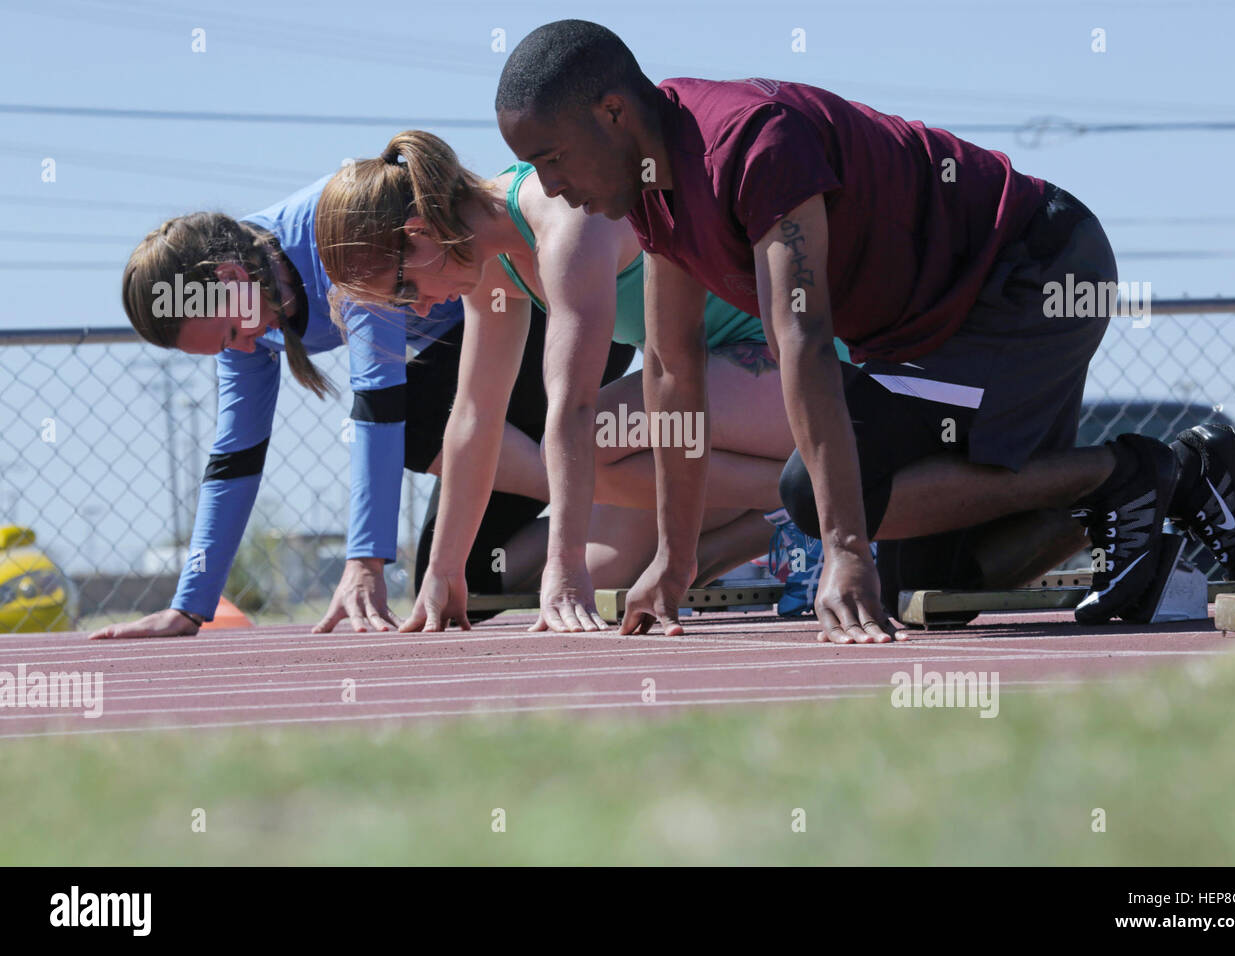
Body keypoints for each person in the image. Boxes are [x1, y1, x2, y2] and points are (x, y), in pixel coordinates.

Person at [493, 20, 1235, 643]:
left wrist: (844, 548)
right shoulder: (651, 193)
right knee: (938, 586)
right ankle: (1169, 481)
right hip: (930, 335)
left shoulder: (751, 142)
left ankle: (1143, 470)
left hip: (1030, 275)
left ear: (614, 113)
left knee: (821, 499)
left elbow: (802, 339)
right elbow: (671, 371)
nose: (551, 185)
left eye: (552, 158)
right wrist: (676, 556)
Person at [315, 131, 850, 630]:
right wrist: (443, 569)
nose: (419, 310)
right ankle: (812, 506)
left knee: (586, 437)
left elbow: (573, 405)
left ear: (419, 235)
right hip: (732, 384)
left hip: (811, 372)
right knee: (589, 460)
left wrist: (566, 569)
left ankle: (835, 500)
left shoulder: (564, 220)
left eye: (404, 290)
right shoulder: (495, 258)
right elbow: (475, 414)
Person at [91, 174, 625, 639]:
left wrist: (365, 562)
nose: (241, 351)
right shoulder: (249, 311)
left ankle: (614, 493)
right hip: (477, 370)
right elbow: (235, 455)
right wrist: (188, 607)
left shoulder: (342, 235)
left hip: (548, 322)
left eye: (231, 333)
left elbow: (379, 398)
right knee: (464, 579)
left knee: (417, 421)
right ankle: (665, 521)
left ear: (230, 280)